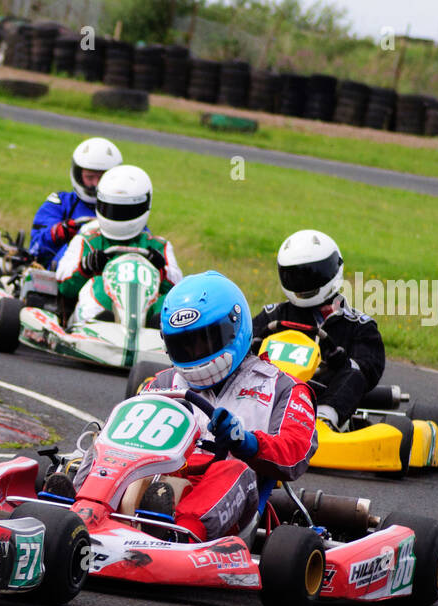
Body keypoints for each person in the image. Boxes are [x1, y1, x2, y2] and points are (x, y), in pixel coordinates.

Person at [138, 271, 317, 542]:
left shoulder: (283, 388)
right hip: (161, 483)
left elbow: (294, 455)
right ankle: (85, 510)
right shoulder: (164, 383)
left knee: (233, 470)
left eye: (204, 340)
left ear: (234, 329)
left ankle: (182, 536)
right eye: (183, 345)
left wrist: (246, 442)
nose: (195, 353)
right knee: (110, 449)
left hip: (230, 500)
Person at [253, 229, 385, 429]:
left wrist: (340, 362)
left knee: (354, 370)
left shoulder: (359, 326)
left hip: (322, 398)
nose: (303, 284)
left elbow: (368, 370)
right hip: (265, 397)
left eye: (311, 275)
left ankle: (324, 423)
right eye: (295, 276)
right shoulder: (272, 316)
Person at [55, 165, 183, 331]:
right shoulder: (86, 241)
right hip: (102, 310)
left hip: (145, 314)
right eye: (111, 209)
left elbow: (179, 289)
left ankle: (161, 329)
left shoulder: (159, 246)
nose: (117, 215)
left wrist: (161, 269)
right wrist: (86, 267)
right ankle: (98, 323)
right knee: (97, 283)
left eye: (126, 211)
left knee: (169, 301)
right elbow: (63, 284)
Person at [27, 137, 123, 268]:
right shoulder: (60, 203)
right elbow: (35, 249)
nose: (96, 184)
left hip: (111, 276)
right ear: (78, 175)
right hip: (61, 278)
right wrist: (59, 233)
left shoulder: (125, 208)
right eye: (90, 177)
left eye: (102, 177)